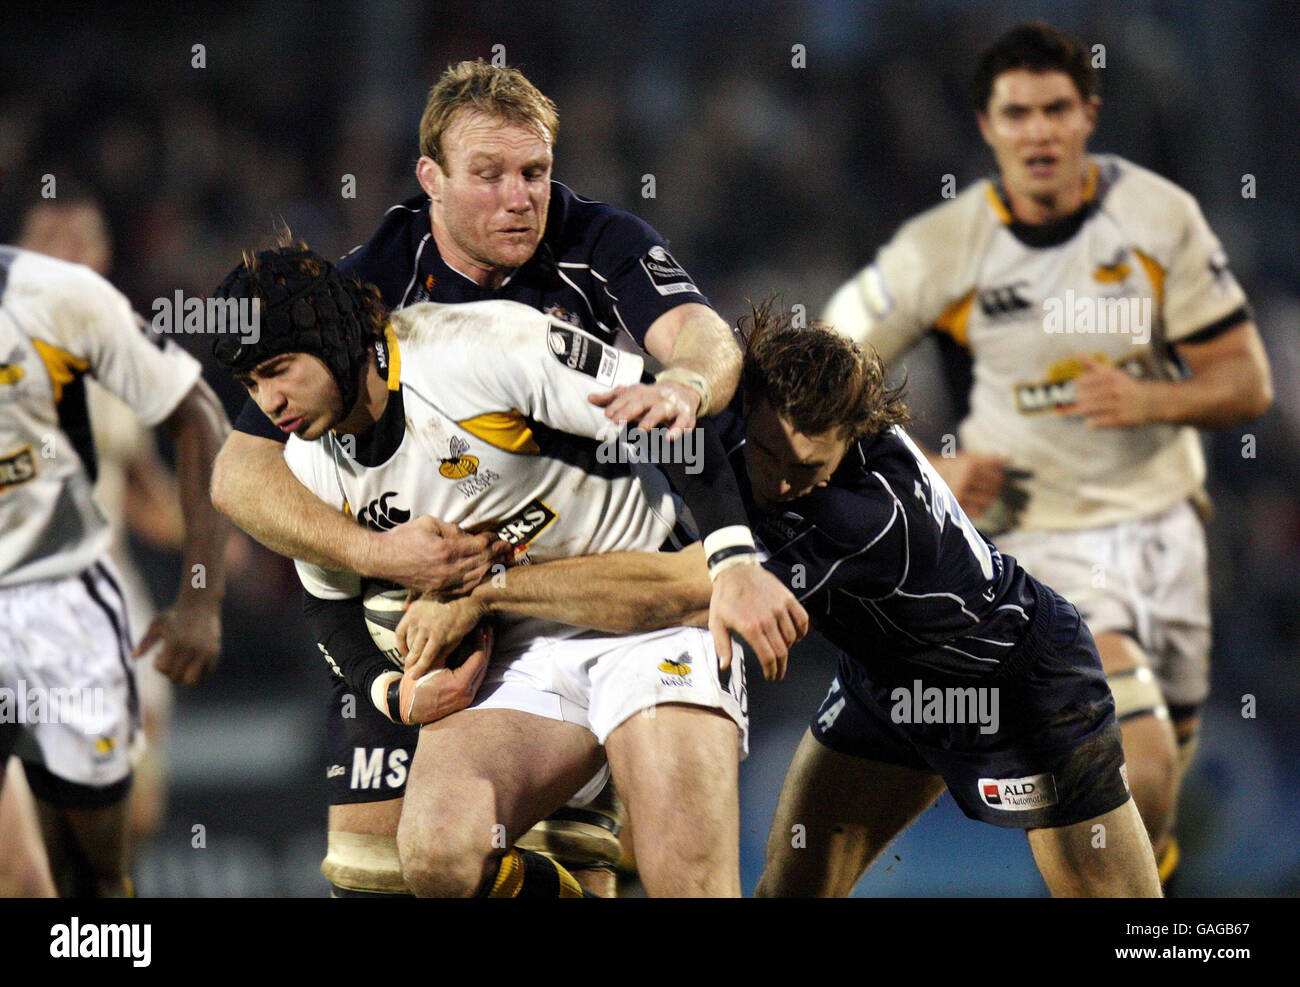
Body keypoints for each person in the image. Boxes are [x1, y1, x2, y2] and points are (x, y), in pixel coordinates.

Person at [207, 60, 755, 897]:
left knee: (661, 865)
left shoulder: (585, 259)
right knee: (390, 869)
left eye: (534, 172)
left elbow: (703, 344)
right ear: (430, 178)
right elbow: (241, 479)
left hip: (624, 583)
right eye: (488, 175)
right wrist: (391, 565)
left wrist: (689, 411)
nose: (518, 197)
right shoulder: (354, 304)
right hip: (466, 620)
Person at [403, 309, 1162, 897]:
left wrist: (487, 588)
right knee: (793, 886)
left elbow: (678, 590)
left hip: (1017, 686)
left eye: (809, 467)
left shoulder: (863, 518)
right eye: (768, 455)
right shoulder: (738, 406)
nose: (781, 482)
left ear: (855, 440)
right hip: (885, 685)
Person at [821, 22, 1273, 884]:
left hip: (1168, 540)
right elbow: (819, 368)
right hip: (1044, 550)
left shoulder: (1160, 220)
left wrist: (1152, 398)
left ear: (1088, 114)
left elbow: (1246, 382)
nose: (1038, 131)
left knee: (1160, 793)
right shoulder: (942, 246)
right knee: (1130, 774)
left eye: (1056, 109)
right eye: (1016, 112)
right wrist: (919, 470)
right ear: (988, 127)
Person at [0, 244, 229, 897]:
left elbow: (197, 416)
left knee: (88, 867)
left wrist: (200, 599)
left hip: (62, 603)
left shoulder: (58, 300)